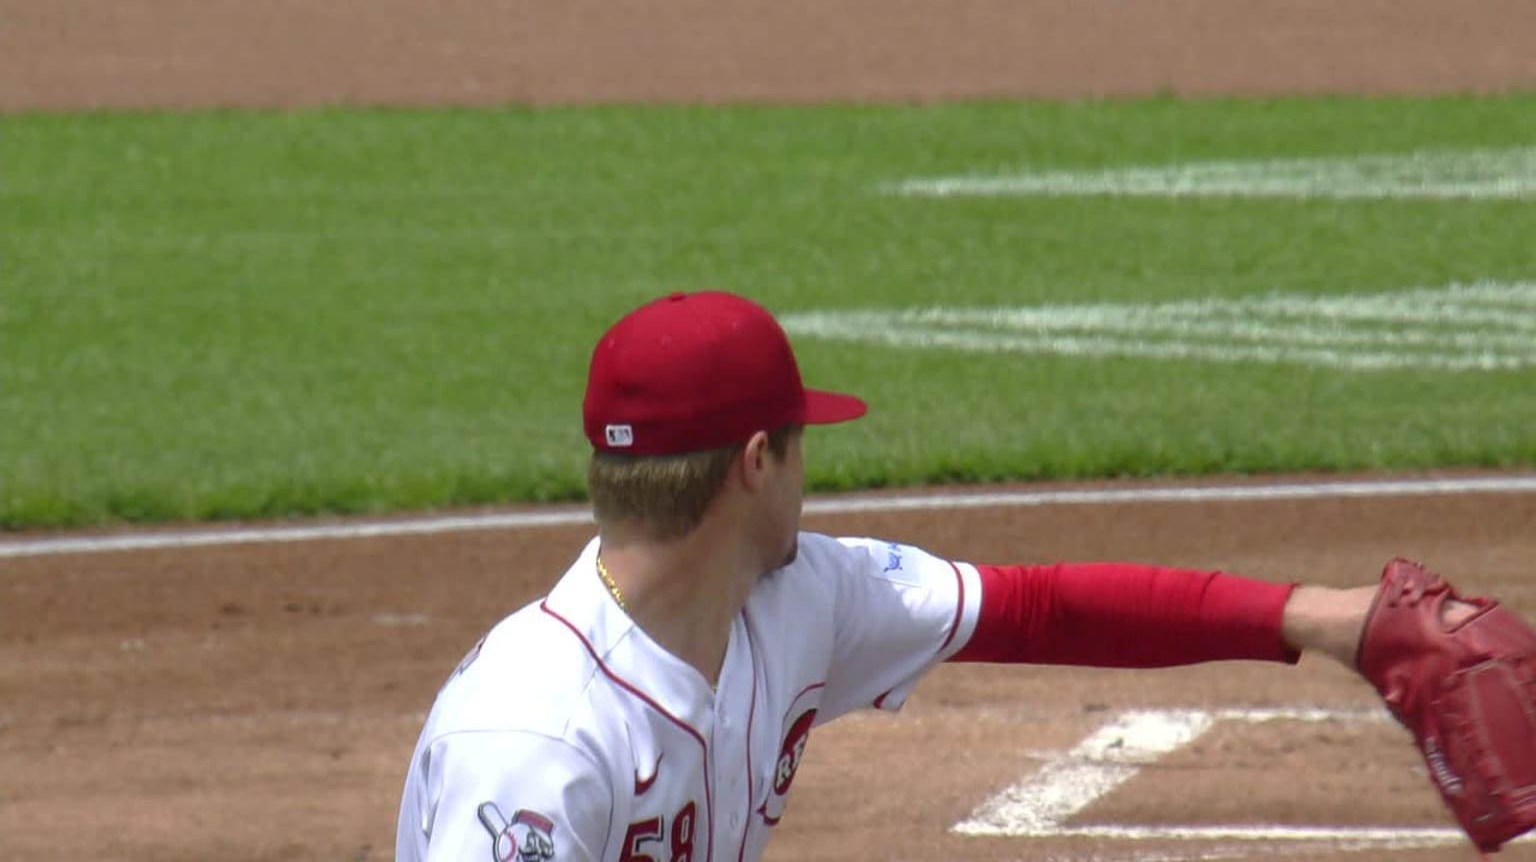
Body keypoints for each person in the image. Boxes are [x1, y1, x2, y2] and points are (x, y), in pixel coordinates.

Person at [395, 290, 1536, 862]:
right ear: (754, 465)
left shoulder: (795, 599)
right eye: (800, 443)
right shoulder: (535, 736)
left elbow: (1040, 607)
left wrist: (1330, 620)